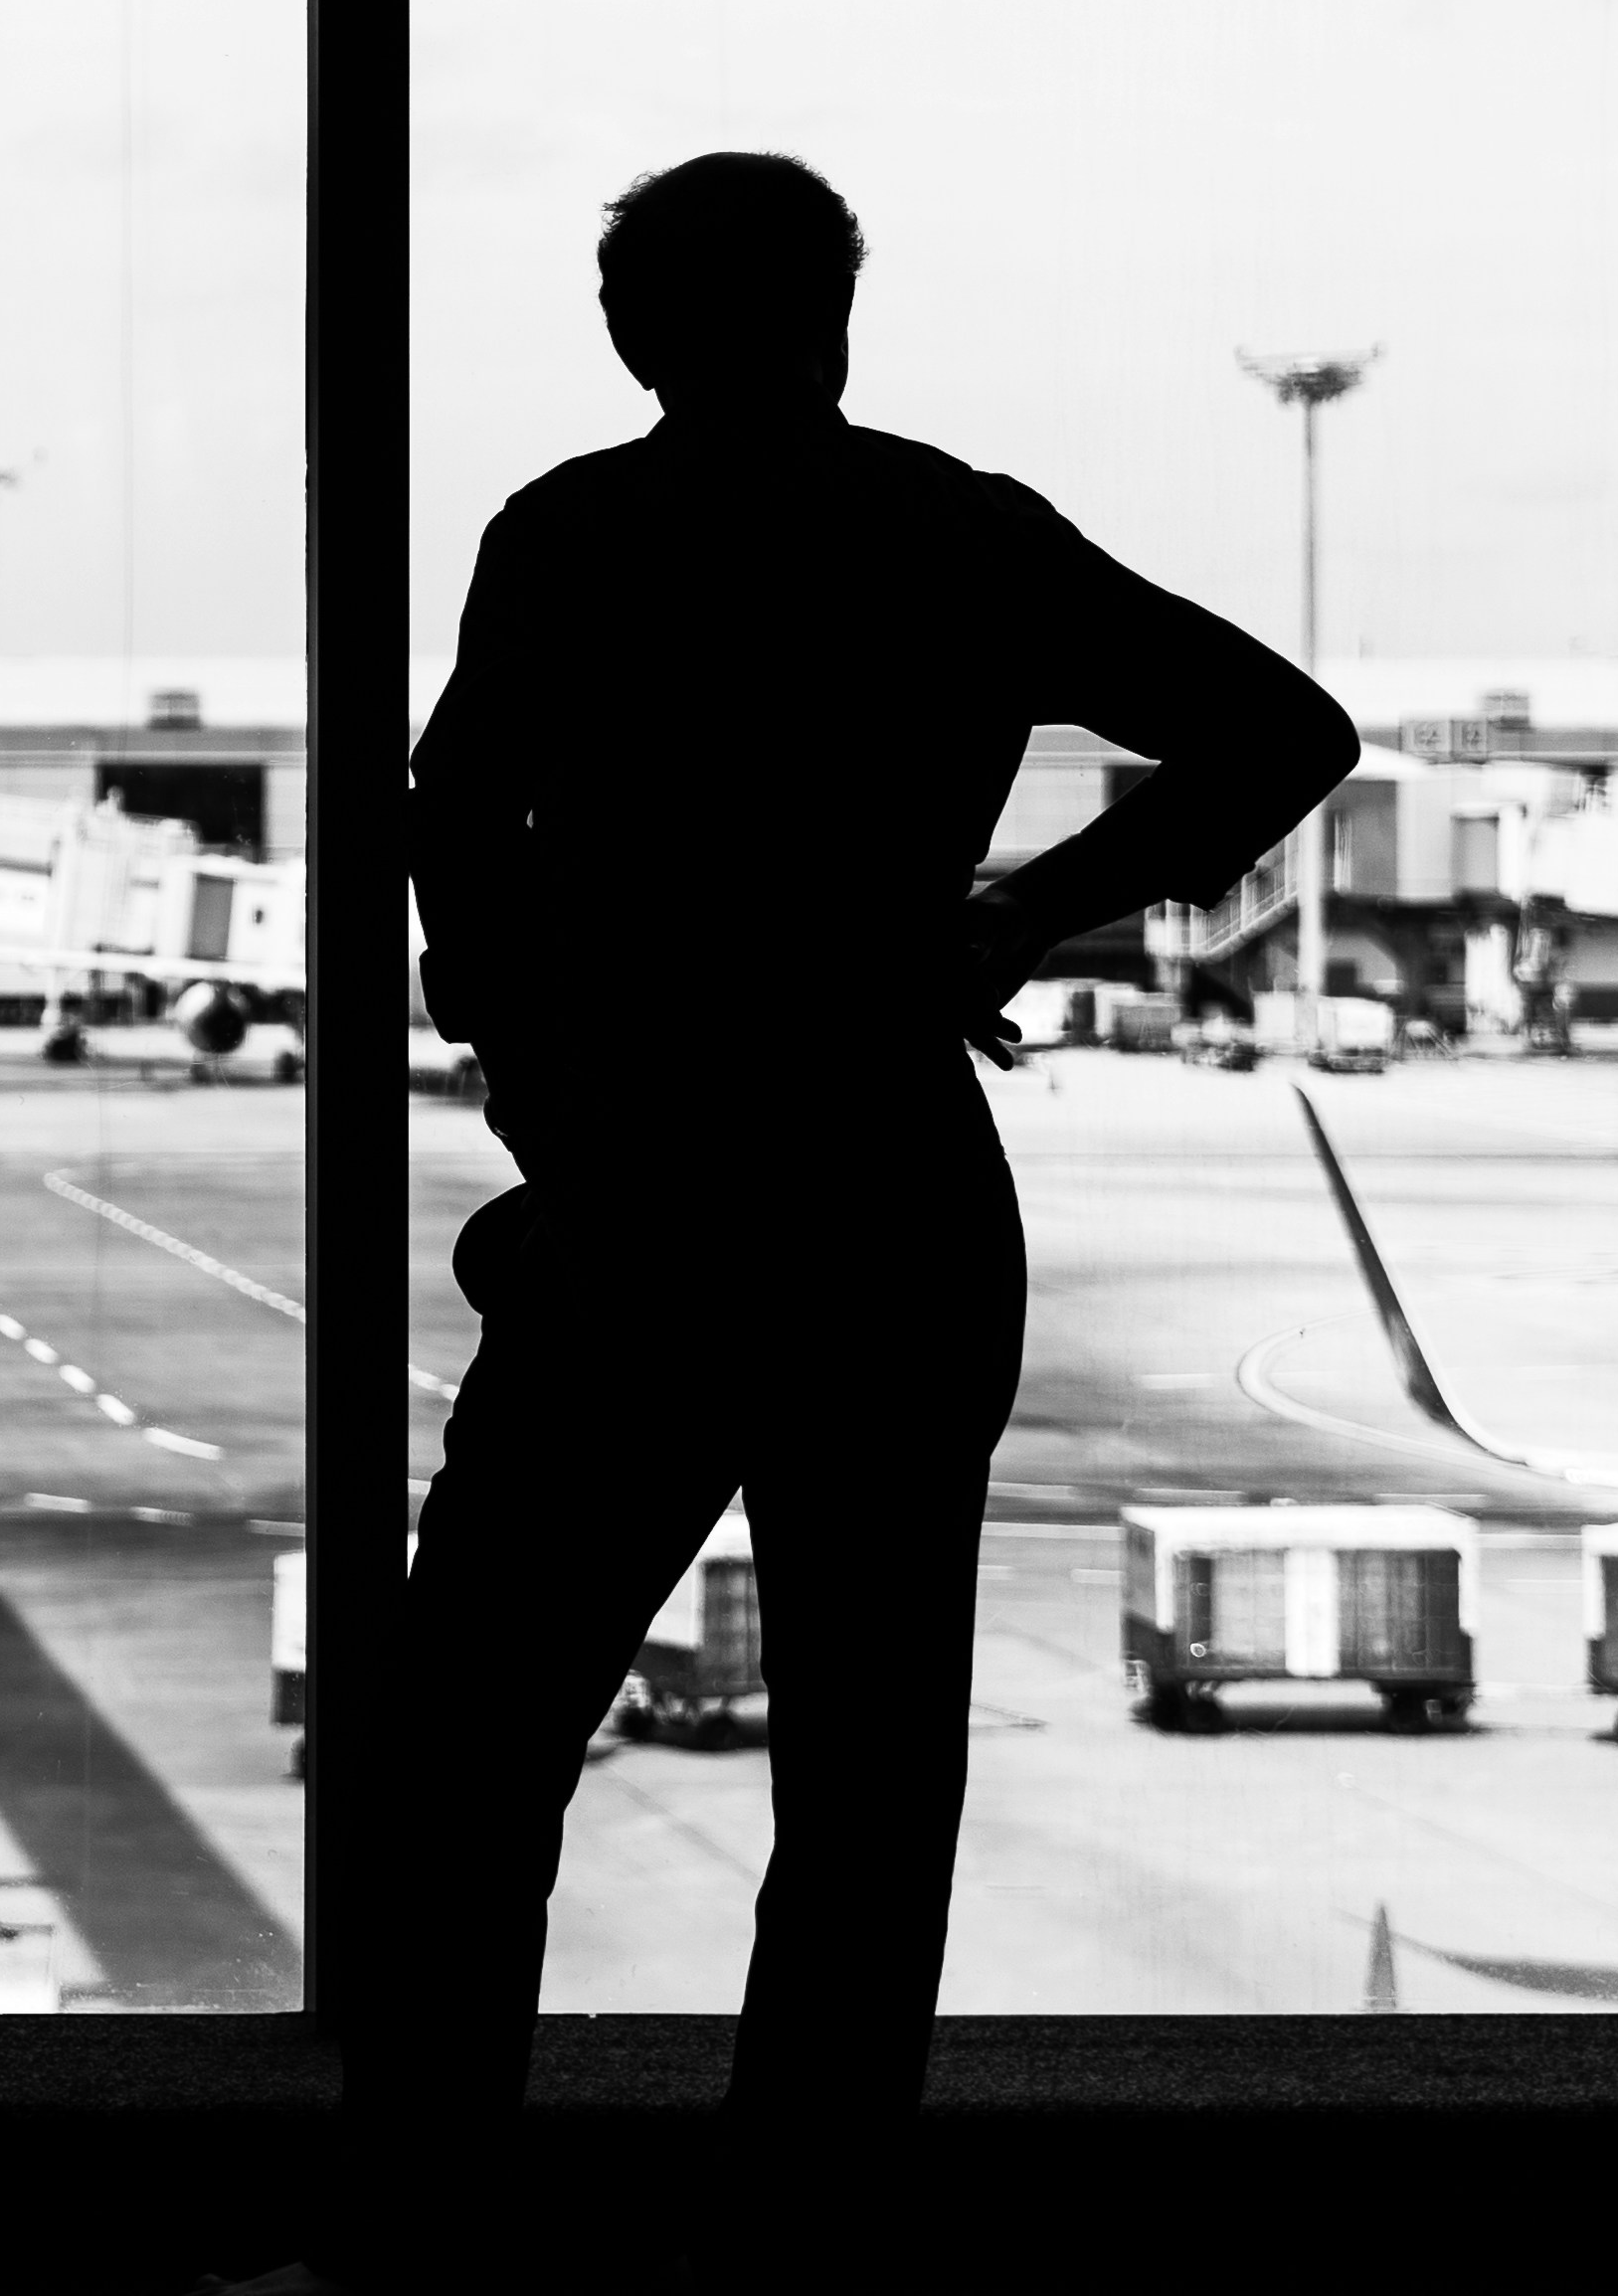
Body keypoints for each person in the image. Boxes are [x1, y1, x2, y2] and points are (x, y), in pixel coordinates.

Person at [401, 152, 1353, 2113]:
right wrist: (1021, 904)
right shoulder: (953, 535)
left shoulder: (567, 534)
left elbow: (452, 821)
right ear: (836, 312)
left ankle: (427, 2223)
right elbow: (1280, 729)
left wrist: (527, 1064)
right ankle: (796, 2256)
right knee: (865, 1786)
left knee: (464, 1752)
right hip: (887, 1199)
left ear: (627, 334)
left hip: (636, 1197)